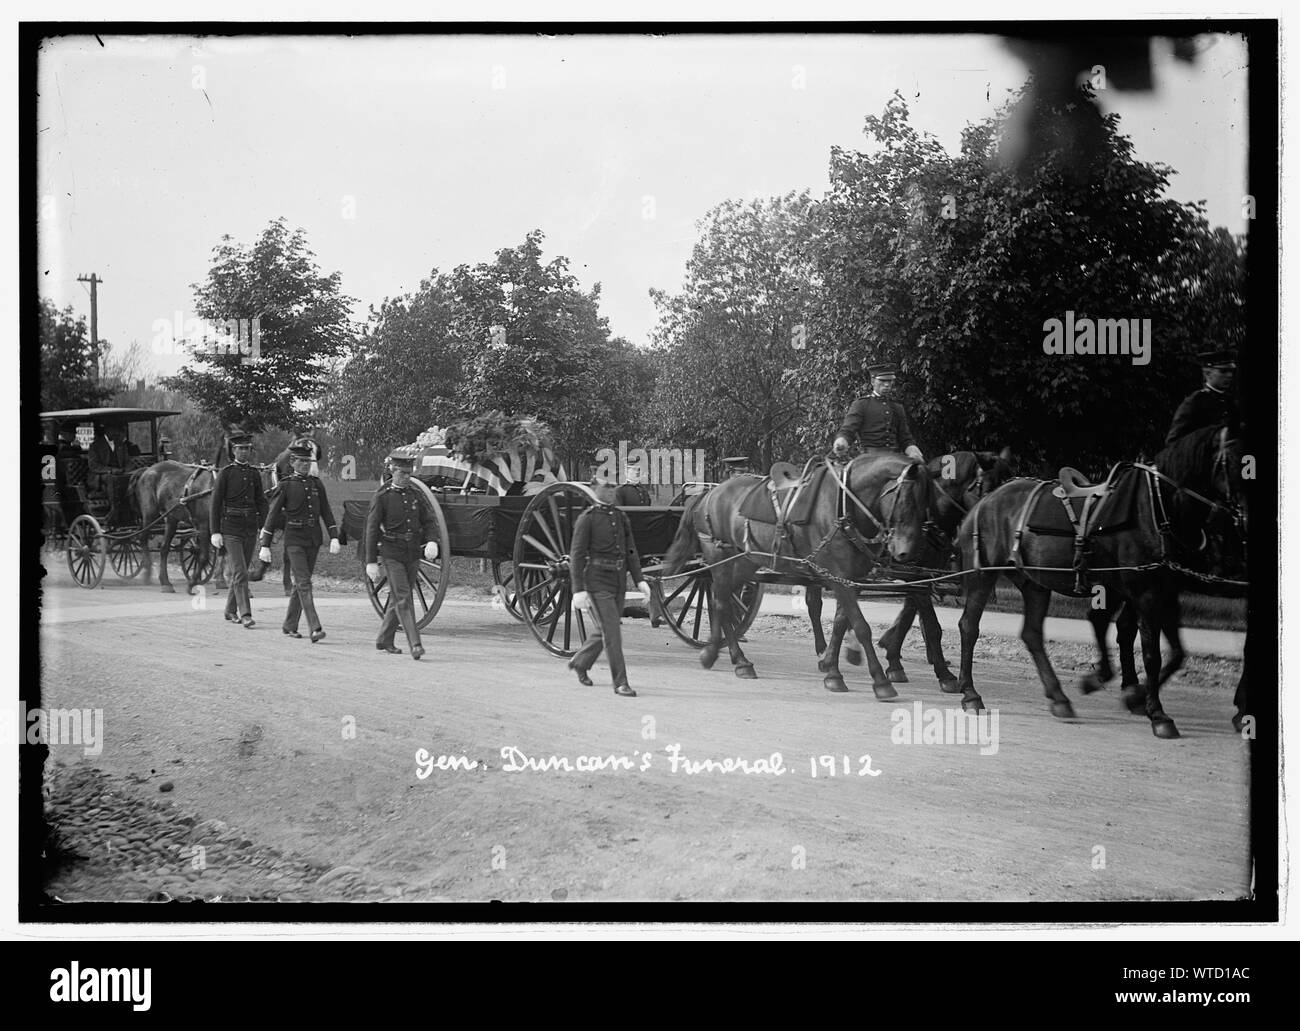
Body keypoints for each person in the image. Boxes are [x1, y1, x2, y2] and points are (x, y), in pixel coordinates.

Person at [567, 474, 653, 697]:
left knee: (607, 626)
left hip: (618, 580)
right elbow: (576, 555)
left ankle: (581, 661)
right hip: (596, 580)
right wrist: (578, 590)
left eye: (614, 486)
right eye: (606, 487)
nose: (611, 490)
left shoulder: (620, 517)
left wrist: (640, 580)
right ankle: (621, 682)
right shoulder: (588, 518)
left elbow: (631, 551)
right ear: (594, 489)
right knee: (613, 632)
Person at [258, 443, 339, 643]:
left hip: (313, 538)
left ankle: (290, 624)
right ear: (292, 462)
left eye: (308, 461)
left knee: (301, 584)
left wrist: (334, 535)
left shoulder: (316, 484)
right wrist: (265, 544)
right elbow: (272, 514)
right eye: (301, 461)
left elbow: (326, 511)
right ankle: (315, 627)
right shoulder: (285, 486)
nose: (305, 465)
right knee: (304, 583)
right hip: (294, 540)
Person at [364, 452, 439, 659]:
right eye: (403, 473)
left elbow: (429, 520)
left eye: (409, 472)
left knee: (397, 598)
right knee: (404, 597)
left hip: (412, 552)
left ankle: (384, 639)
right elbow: (371, 530)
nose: (407, 477)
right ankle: (415, 643)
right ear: (392, 471)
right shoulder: (383, 496)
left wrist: (432, 540)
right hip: (391, 553)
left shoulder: (416, 494)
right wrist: (371, 561)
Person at [211, 432, 269, 628]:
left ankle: (229, 610)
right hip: (230, 529)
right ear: (233, 450)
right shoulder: (225, 474)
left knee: (239, 573)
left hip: (250, 528)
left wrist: (265, 527)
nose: (244, 452)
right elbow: (216, 504)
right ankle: (245, 614)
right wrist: (215, 532)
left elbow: (261, 502)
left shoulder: (254, 474)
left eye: (247, 448)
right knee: (241, 571)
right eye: (240, 448)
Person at [832, 362, 925, 463]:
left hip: (895, 459)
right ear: (872, 381)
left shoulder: (897, 407)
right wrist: (841, 441)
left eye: (890, 381)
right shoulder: (861, 405)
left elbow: (905, 438)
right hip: (869, 460)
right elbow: (848, 431)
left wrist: (913, 450)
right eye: (882, 380)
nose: (887, 384)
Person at [1166, 348, 1239, 446]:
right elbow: (1173, 443)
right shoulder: (1195, 402)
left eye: (1231, 371)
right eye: (1223, 371)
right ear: (1207, 374)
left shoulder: (1231, 402)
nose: (1229, 375)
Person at [87, 423, 131, 523]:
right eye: (114, 430)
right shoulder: (96, 445)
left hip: (119, 473)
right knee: (112, 479)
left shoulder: (121, 444)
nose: (116, 433)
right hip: (99, 475)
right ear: (107, 430)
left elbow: (128, 461)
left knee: (133, 477)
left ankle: (131, 507)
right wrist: (110, 470)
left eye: (117, 431)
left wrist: (127, 471)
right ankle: (114, 508)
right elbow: (94, 466)